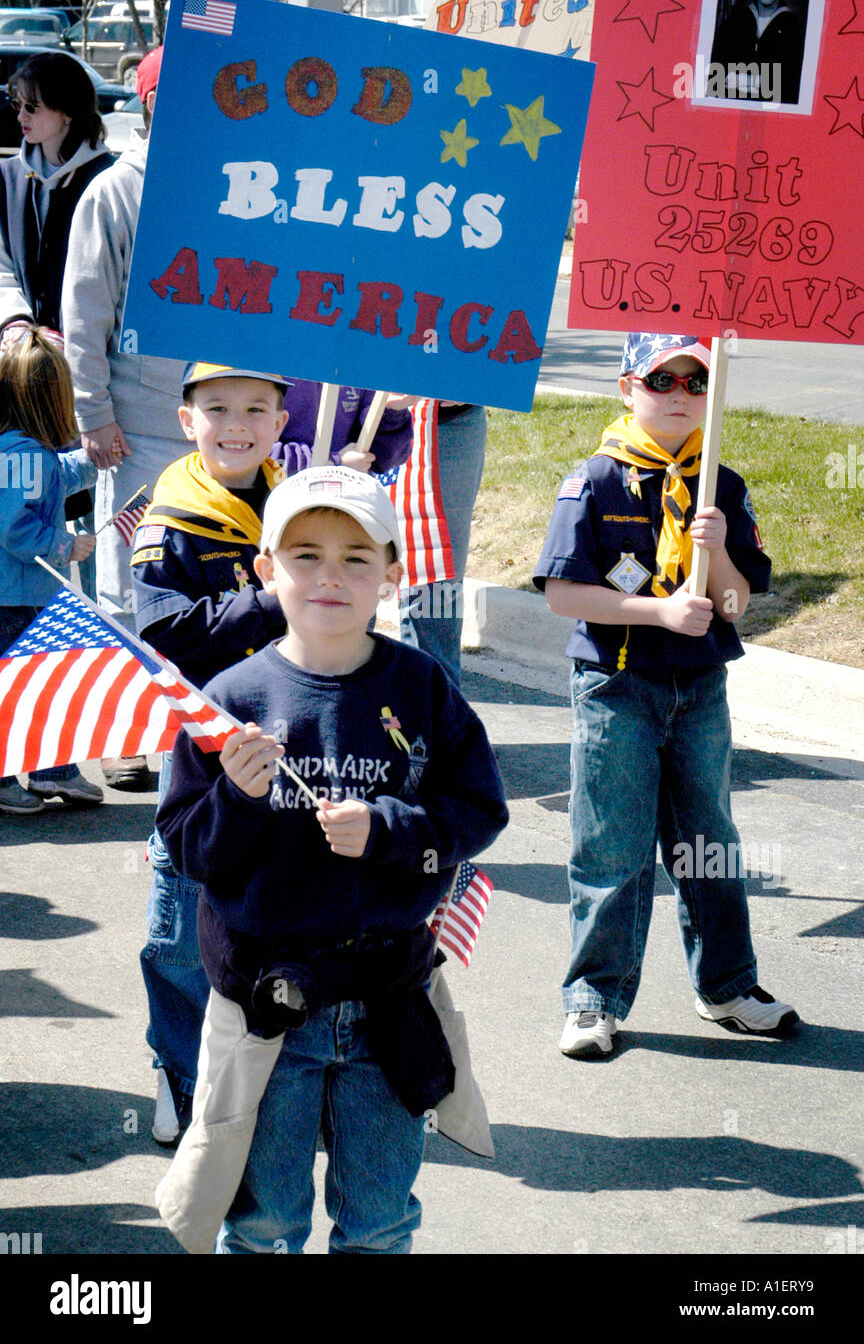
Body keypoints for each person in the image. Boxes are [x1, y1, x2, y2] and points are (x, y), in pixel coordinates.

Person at [156, 466, 509, 1252]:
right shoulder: (231, 700)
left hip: (389, 996)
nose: (330, 576)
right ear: (265, 573)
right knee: (264, 1222)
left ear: (393, 574)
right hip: (265, 1005)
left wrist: (391, 830)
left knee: (381, 1219)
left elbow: (480, 809)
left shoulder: (422, 686)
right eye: (304, 554)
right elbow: (186, 849)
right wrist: (236, 801)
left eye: (357, 557)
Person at [533, 332, 798, 1059]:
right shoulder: (594, 480)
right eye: (661, 379)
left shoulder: (722, 486)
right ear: (627, 388)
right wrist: (657, 612)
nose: (679, 395)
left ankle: (727, 985)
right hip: (616, 685)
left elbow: (740, 603)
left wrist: (712, 556)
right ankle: (594, 998)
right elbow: (562, 595)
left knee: (709, 841)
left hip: (699, 688)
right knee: (611, 844)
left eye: (695, 382)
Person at [131, 360, 289, 1143]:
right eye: (217, 407)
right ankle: (177, 1073)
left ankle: (255, 1072)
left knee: (269, 905)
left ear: (281, 421)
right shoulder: (172, 513)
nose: (238, 424)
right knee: (183, 915)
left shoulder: (296, 501)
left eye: (257, 408)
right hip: (199, 745)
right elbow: (164, 634)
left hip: (287, 735)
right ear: (187, 418)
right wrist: (266, 596)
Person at [61, 44, 187, 791]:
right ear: (146, 104)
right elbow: (85, 312)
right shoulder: (115, 194)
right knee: (125, 580)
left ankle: (186, 721)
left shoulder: (230, 184)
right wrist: (93, 414)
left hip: (219, 425)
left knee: (206, 583)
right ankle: (127, 733)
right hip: (135, 427)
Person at [0, 326, 102, 811]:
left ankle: (50, 772)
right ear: (52, 398)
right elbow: (16, 531)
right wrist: (67, 545)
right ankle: (31, 775)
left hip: (23, 595)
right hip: (17, 598)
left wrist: (97, 458)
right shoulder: (27, 455)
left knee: (37, 685)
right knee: (31, 688)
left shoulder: (19, 451)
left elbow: (57, 476)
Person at [0, 52, 113, 342]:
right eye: (18, 104)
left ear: (67, 112)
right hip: (18, 354)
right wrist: (16, 323)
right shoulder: (6, 177)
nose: (20, 116)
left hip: (90, 357)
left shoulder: (110, 180)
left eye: (32, 107)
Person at [397, 400, 487, 686]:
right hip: (350, 402)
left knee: (435, 578)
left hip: (446, 417)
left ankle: (437, 711)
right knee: (347, 564)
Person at [710, 0, 804, 104]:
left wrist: (745, 81)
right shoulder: (734, 24)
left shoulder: (794, 29)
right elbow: (714, 78)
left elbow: (793, 85)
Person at [270, 380, 413, 476]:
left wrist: (391, 411)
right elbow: (256, 455)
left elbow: (380, 460)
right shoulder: (267, 355)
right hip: (270, 506)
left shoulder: (358, 355)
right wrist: (333, 464)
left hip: (341, 506)